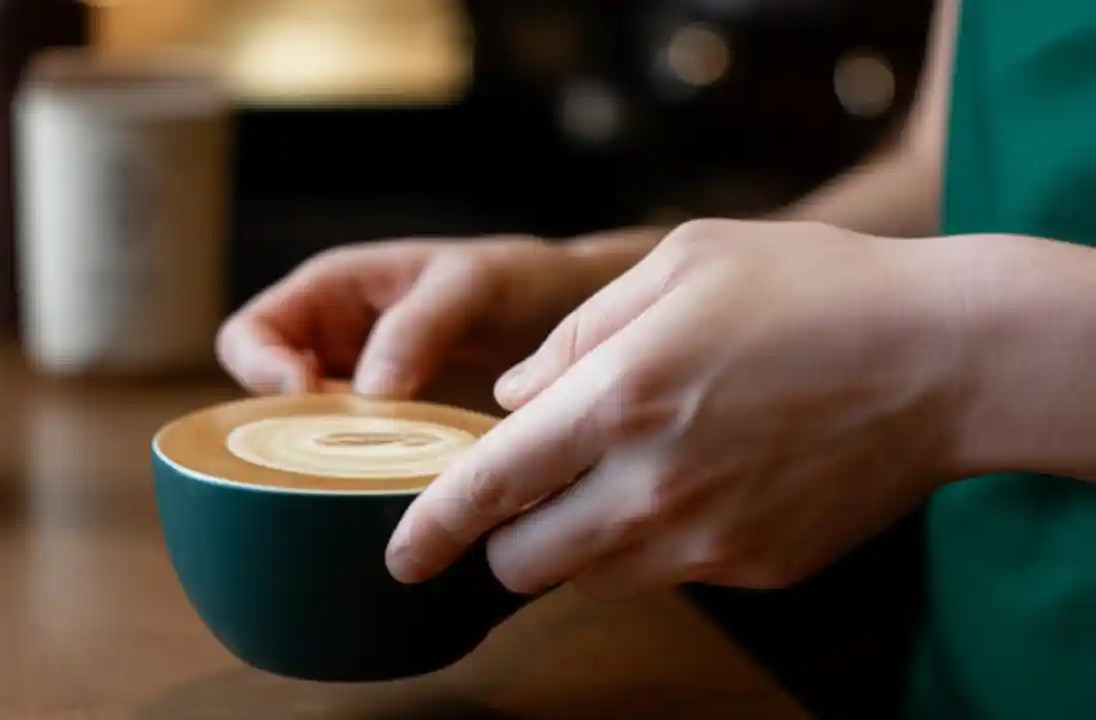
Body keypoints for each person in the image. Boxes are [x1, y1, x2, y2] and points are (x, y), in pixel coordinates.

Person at [216, 0, 1096, 715]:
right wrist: (599, 296)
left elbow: (959, 305)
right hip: (981, 675)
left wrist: (968, 352)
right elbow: (956, 168)